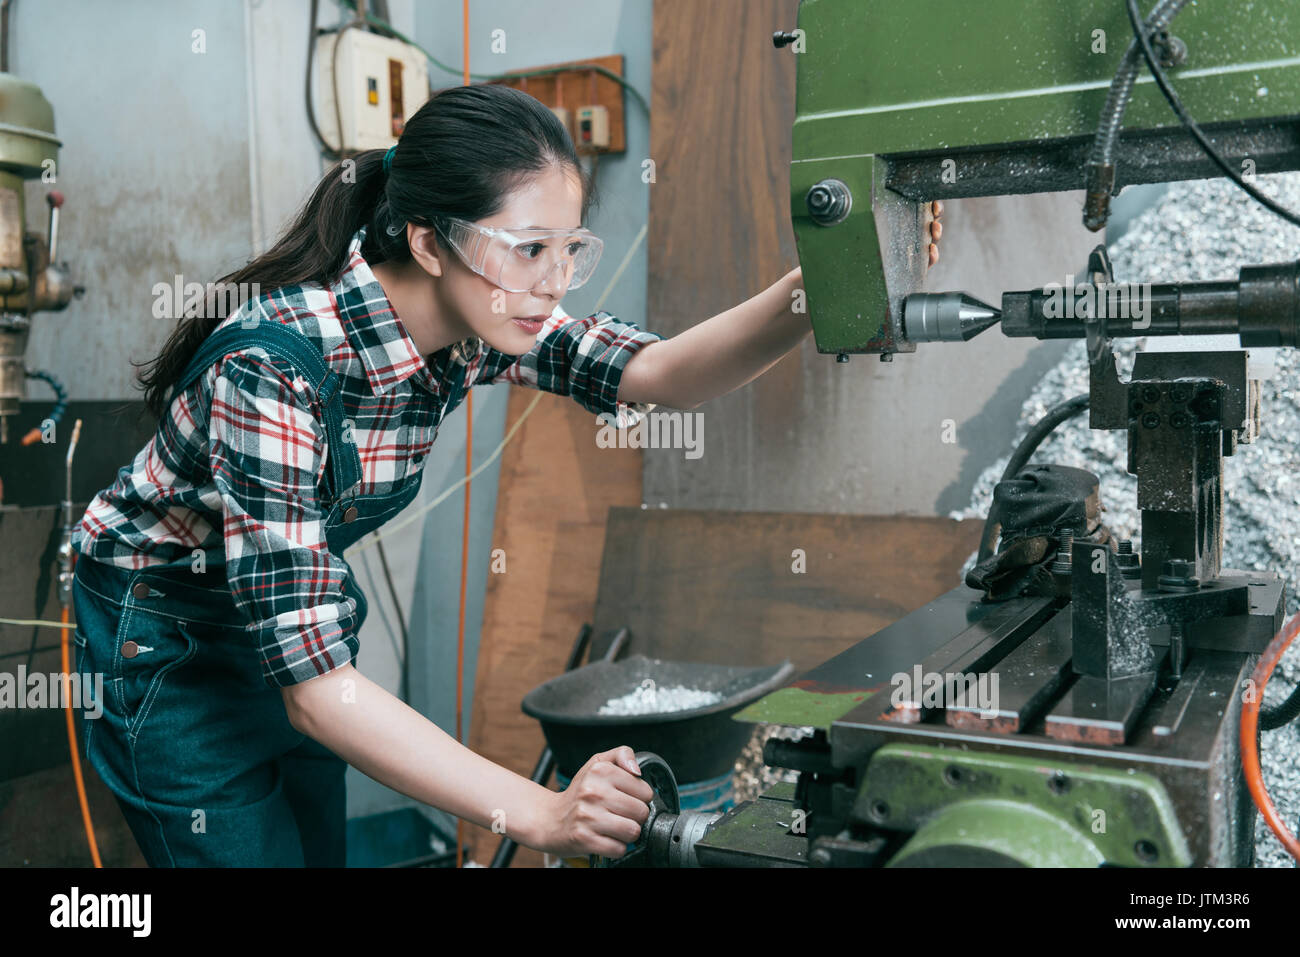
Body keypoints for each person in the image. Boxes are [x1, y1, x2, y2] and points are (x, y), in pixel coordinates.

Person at [70, 83, 809, 867]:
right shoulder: (271, 370)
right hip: (166, 637)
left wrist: (818, 290)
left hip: (277, 631)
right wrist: (540, 811)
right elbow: (319, 694)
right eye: (530, 247)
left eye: (569, 250)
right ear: (429, 243)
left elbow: (659, 373)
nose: (554, 282)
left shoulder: (478, 318)